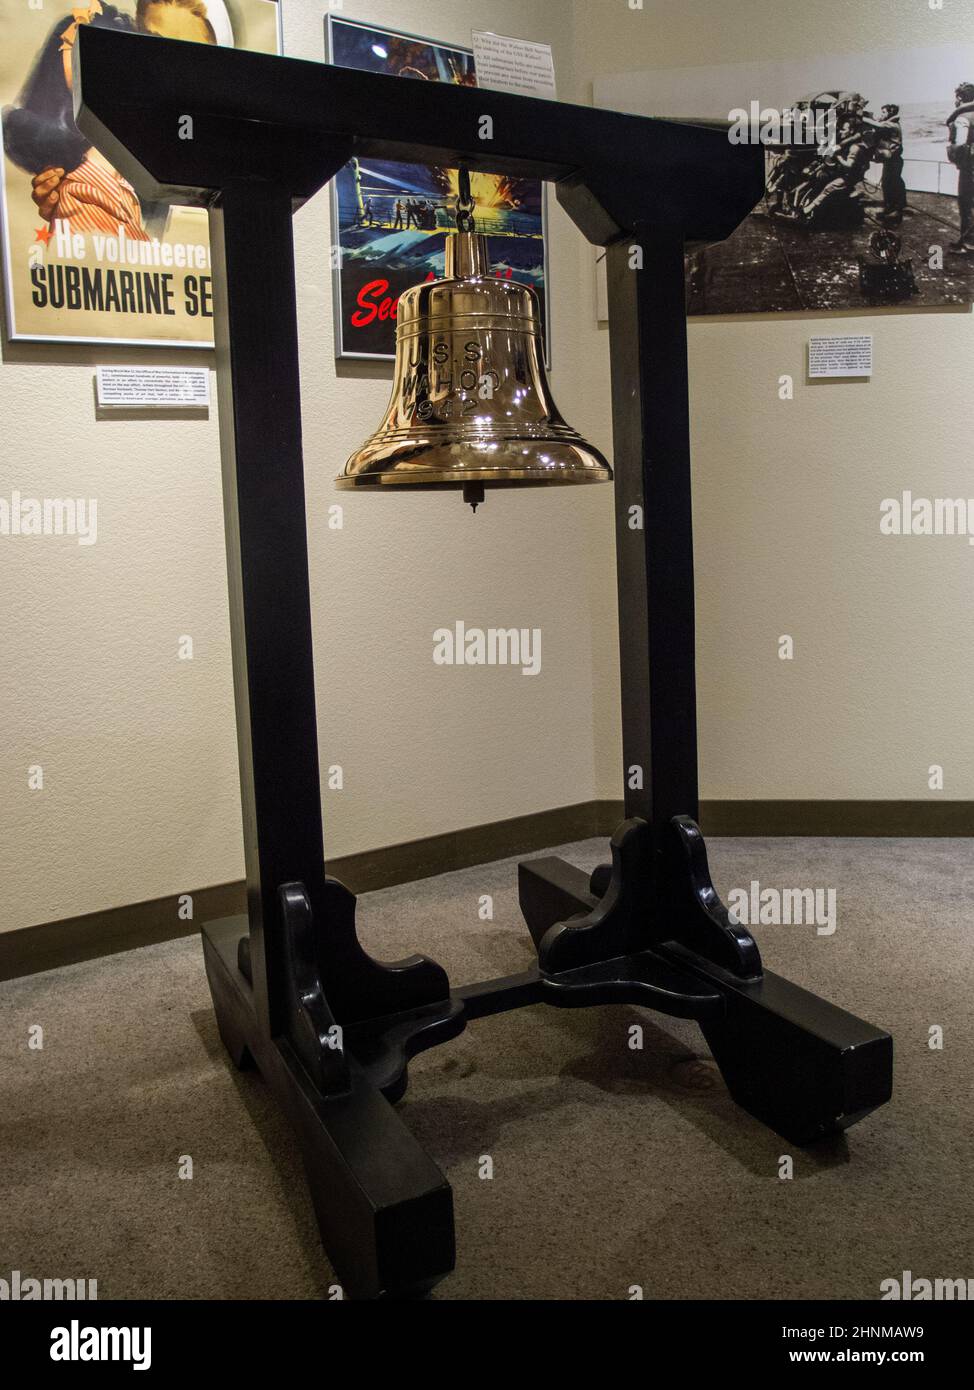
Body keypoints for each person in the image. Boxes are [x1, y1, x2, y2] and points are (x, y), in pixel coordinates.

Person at [3, 0, 220, 239]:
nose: (168, 70)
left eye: (188, 57)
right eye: (154, 44)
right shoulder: (100, 168)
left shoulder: (222, 160)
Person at [867, 104, 907, 227]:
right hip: (892, 160)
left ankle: (895, 214)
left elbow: (879, 126)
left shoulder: (892, 125)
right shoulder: (891, 124)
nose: (882, 114)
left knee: (891, 185)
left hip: (894, 161)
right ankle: (890, 210)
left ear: (890, 113)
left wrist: (860, 117)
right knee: (887, 184)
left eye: (884, 112)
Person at [946, 81, 974, 256]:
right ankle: (966, 238)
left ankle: (969, 243)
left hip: (970, 167)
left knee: (966, 203)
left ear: (960, 98)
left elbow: (961, 146)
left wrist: (954, 157)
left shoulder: (963, 118)